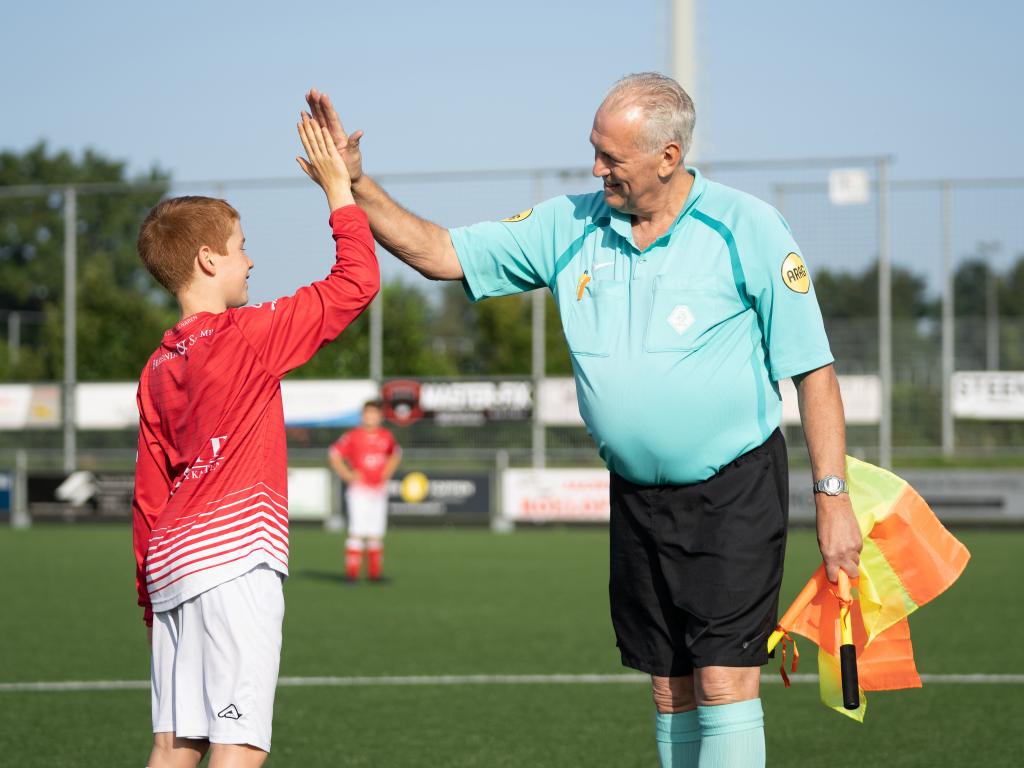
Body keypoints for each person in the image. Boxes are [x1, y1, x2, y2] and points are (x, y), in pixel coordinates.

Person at [306, 73, 862, 767]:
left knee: (723, 680)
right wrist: (357, 184)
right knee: (668, 687)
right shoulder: (570, 224)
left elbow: (814, 372)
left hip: (734, 490)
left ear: (669, 156)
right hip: (636, 495)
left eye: (612, 158)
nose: (596, 169)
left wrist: (832, 501)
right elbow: (440, 254)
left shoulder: (746, 226)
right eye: (594, 151)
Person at [131, 112, 378, 767]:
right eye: (241, 245)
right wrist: (338, 190)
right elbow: (356, 284)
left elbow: (149, 495)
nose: (250, 258)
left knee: (174, 746)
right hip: (234, 563)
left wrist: (148, 594)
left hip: (170, 570)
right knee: (238, 747)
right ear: (209, 259)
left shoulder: (157, 366)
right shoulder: (246, 335)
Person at [328, 400, 402, 581]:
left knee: (376, 532)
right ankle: (352, 574)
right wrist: (347, 474)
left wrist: (387, 472)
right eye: (367, 413)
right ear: (362, 416)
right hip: (359, 490)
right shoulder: (353, 436)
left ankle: (374, 574)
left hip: (378, 489)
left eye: (374, 413)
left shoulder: (386, 436)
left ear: (380, 416)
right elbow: (334, 454)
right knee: (357, 531)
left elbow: (396, 454)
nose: (371, 417)